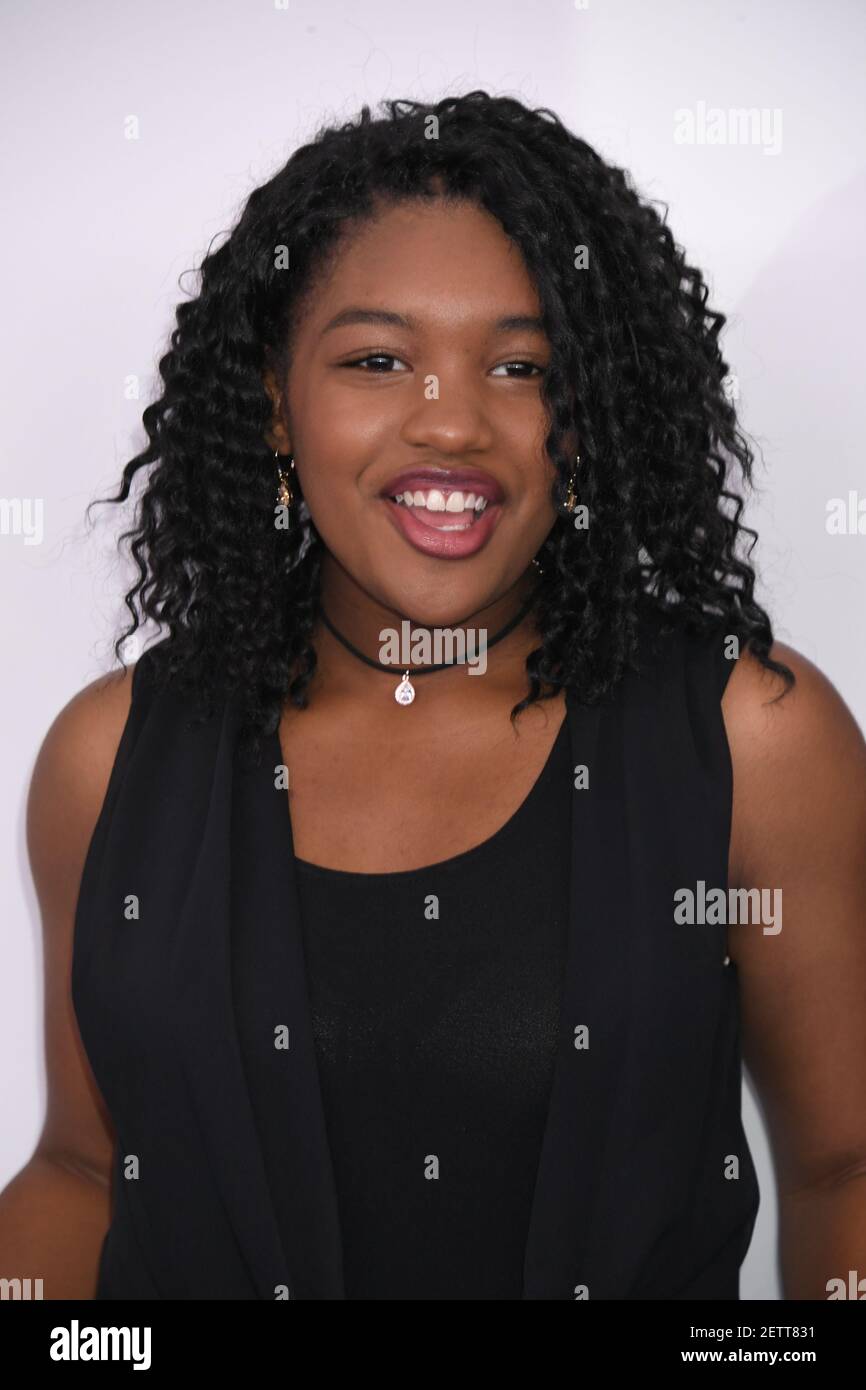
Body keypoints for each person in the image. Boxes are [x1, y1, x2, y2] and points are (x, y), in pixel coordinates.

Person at [3, 91, 865, 1301]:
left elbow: (840, 1167)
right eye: (376, 359)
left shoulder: (747, 736)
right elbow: (83, 1170)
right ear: (270, 403)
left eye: (521, 366)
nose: (452, 420)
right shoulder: (111, 758)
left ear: (587, 417)